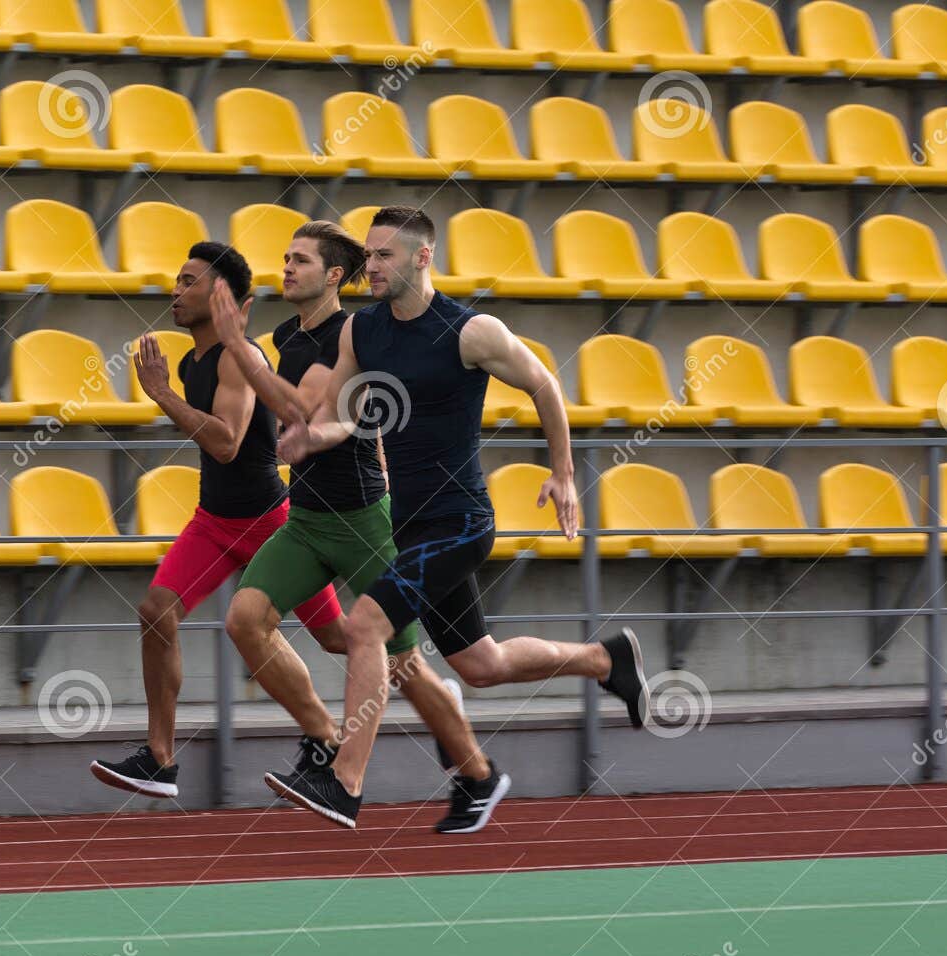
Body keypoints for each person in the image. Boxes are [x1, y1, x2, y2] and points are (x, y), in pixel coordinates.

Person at [215, 205, 652, 829]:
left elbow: (544, 386)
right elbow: (343, 409)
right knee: (480, 666)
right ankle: (605, 659)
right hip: (409, 524)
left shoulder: (470, 331)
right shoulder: (363, 332)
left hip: (462, 522)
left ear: (423, 257)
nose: (372, 266)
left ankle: (345, 782)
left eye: (384, 255)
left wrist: (563, 474)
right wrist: (316, 438)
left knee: (365, 628)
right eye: (367, 255)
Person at [213, 220, 509, 834]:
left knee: (404, 666)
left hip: (364, 520)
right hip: (307, 519)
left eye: (300, 260)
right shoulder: (288, 336)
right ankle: (324, 741)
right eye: (285, 257)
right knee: (245, 618)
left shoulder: (349, 337)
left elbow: (300, 410)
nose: (286, 268)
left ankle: (478, 773)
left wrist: (235, 345)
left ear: (334, 276)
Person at [90, 242, 344, 800]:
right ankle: (160, 758)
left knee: (340, 637)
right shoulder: (190, 361)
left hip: (271, 523)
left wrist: (161, 396)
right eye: (175, 281)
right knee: (157, 613)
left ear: (221, 296)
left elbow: (227, 444)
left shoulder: (239, 356)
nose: (175, 292)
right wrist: (170, 389)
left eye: (188, 282)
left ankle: (395, 690)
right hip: (214, 522)